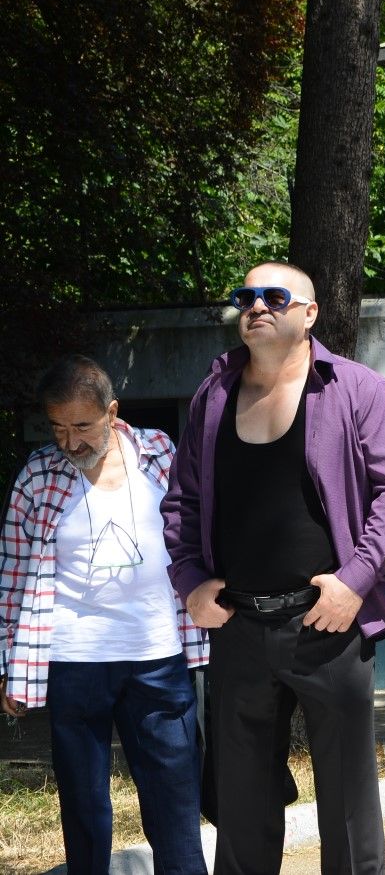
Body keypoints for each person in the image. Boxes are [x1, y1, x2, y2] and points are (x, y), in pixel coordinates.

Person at [163, 261, 385, 875]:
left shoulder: (357, 389)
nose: (256, 306)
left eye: (274, 296)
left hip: (328, 626)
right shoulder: (213, 396)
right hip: (238, 630)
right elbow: (183, 502)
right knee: (241, 805)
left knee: (347, 807)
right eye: (245, 296)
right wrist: (191, 583)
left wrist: (355, 581)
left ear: (309, 314)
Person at [2, 356, 208, 875]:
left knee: (175, 800)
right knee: (84, 806)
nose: (69, 442)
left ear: (113, 412)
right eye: (57, 428)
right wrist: (10, 665)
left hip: (159, 657)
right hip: (74, 663)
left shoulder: (161, 453)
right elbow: (12, 577)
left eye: (82, 426)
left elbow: (203, 526)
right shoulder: (37, 478)